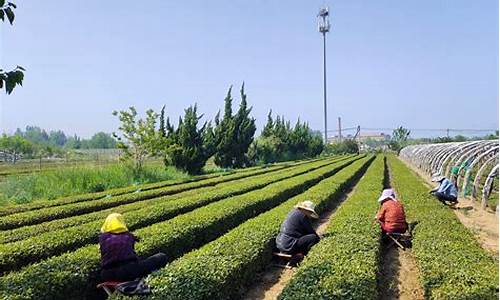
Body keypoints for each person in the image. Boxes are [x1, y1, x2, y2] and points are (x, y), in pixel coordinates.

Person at [99, 213, 167, 282]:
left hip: (106, 275)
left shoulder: (102, 237)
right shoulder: (128, 236)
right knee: (161, 256)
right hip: (127, 272)